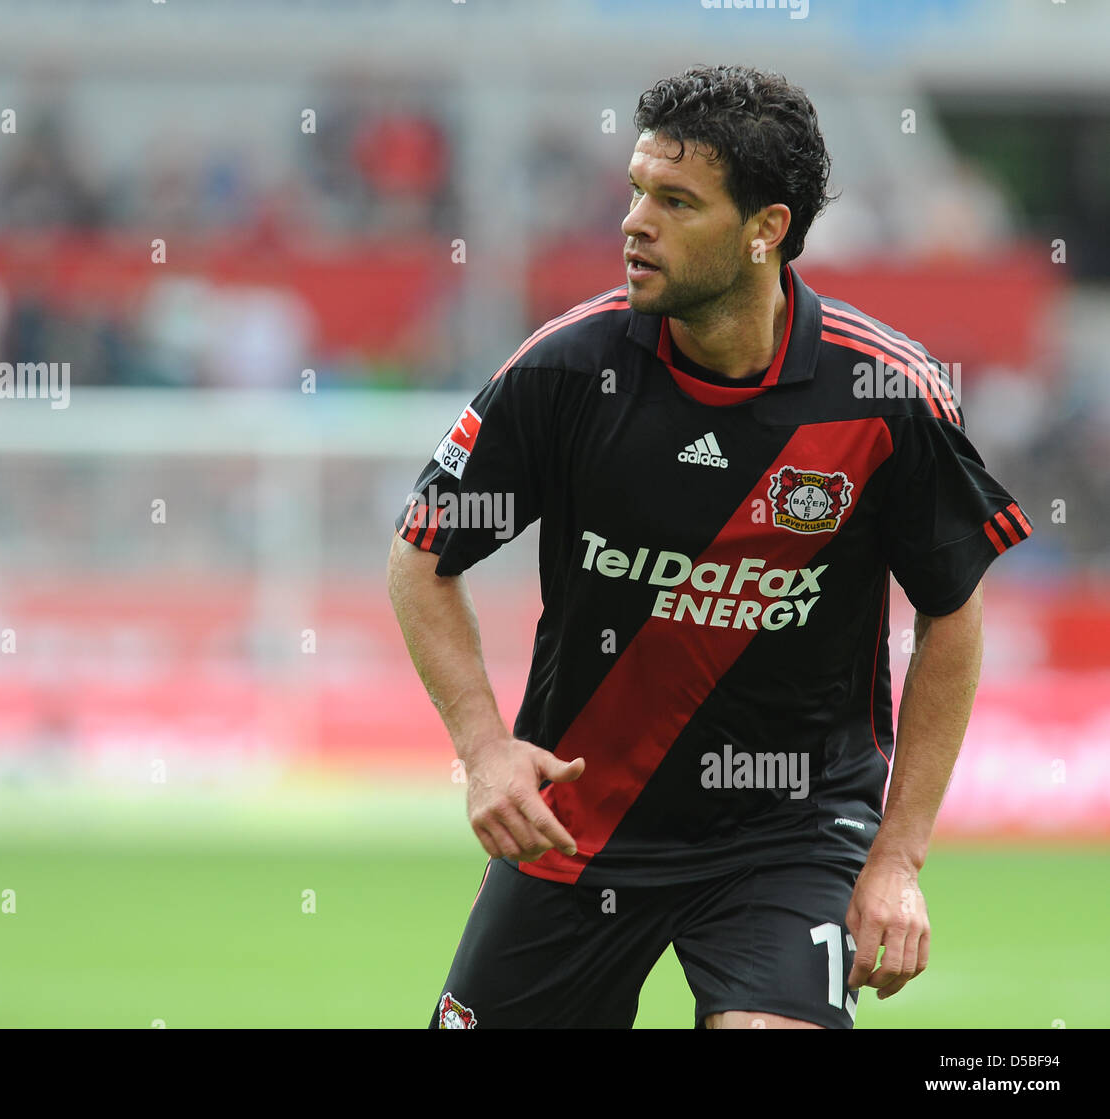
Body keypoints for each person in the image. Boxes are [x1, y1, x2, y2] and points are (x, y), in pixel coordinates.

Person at [386, 64, 1032, 1029]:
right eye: (637, 189)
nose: (634, 221)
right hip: (577, 819)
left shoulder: (883, 394)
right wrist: (485, 752)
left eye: (676, 200)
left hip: (791, 831)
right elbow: (421, 559)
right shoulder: (566, 371)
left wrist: (896, 857)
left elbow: (952, 610)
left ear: (765, 229)